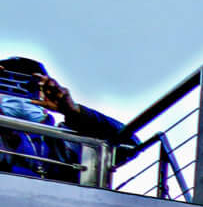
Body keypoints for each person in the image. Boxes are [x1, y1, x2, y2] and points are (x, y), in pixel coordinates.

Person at [1, 57, 134, 183]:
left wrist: (74, 112)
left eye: (30, 88)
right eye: (6, 84)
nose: (16, 92)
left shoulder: (68, 142)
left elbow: (129, 145)